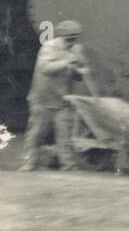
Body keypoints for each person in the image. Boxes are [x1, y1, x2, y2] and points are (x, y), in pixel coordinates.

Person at [22, 20, 90, 171]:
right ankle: (29, 162)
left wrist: (79, 72)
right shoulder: (50, 47)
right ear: (62, 36)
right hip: (43, 98)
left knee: (65, 134)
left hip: (63, 98)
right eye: (70, 38)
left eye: (75, 37)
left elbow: (77, 73)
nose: (73, 41)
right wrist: (66, 63)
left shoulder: (77, 49)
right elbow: (44, 68)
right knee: (37, 132)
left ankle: (68, 164)